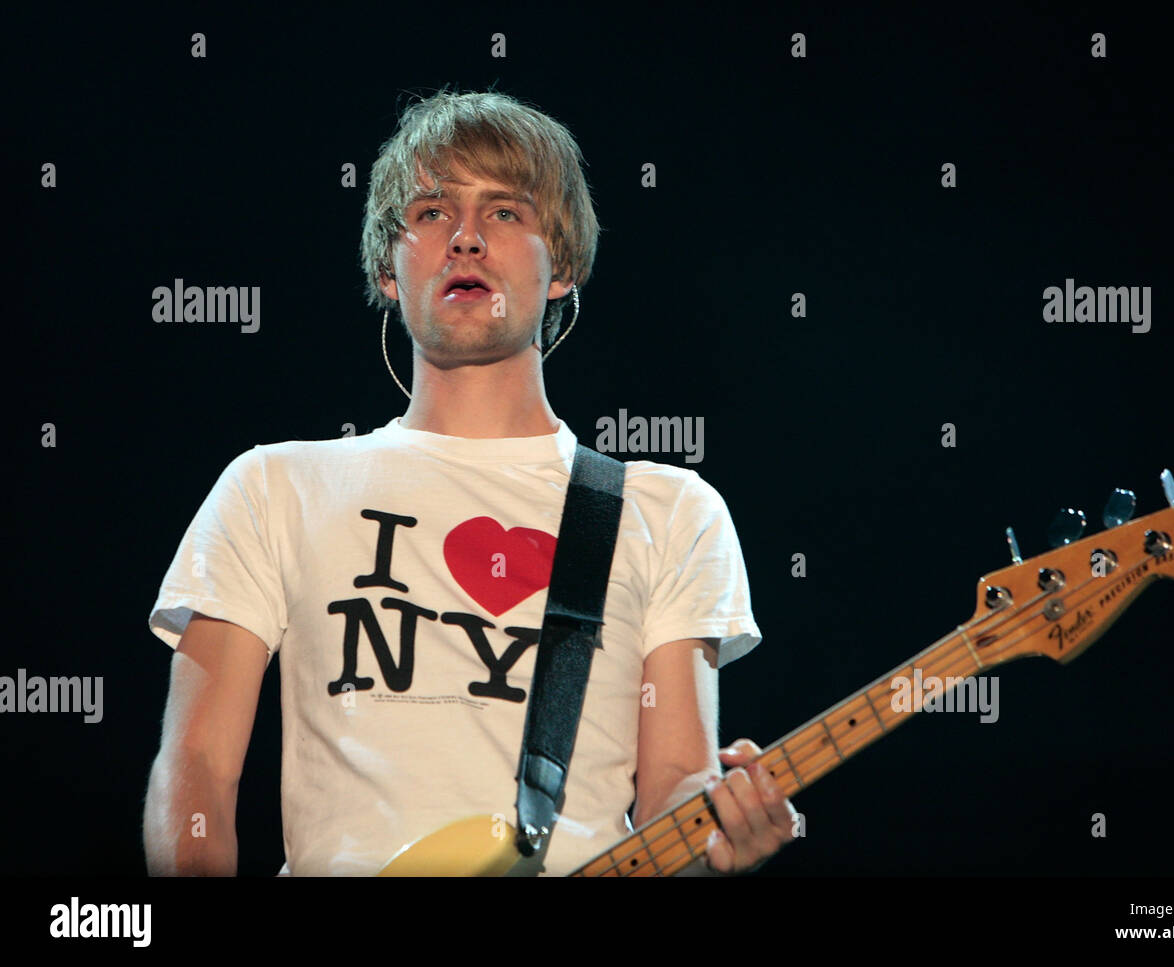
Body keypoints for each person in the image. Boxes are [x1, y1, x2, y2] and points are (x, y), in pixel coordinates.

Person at [143, 89, 797, 876]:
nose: (465, 239)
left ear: (564, 267)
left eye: (506, 213)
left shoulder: (668, 510)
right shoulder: (272, 487)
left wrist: (722, 834)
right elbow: (198, 772)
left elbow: (671, 795)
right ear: (388, 268)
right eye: (430, 213)